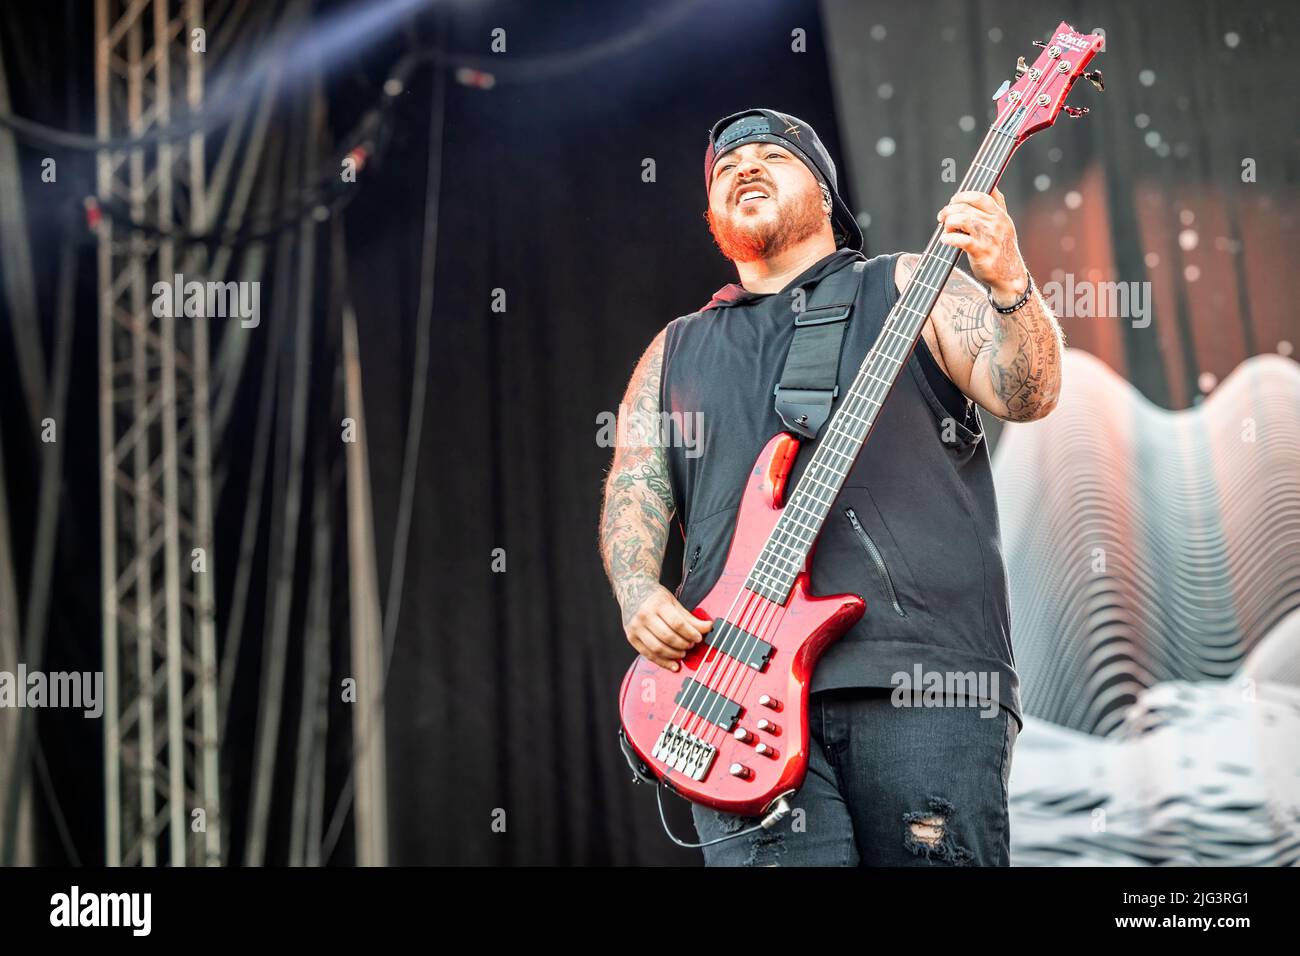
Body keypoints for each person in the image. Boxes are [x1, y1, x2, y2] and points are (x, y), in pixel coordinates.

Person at [599, 108, 1064, 866]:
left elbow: (1028, 393)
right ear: (712, 216)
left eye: (770, 156)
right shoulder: (676, 347)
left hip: (920, 679)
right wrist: (634, 589)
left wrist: (1010, 285)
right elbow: (637, 484)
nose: (743, 166)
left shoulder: (908, 284)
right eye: (725, 167)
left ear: (826, 196)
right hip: (732, 692)